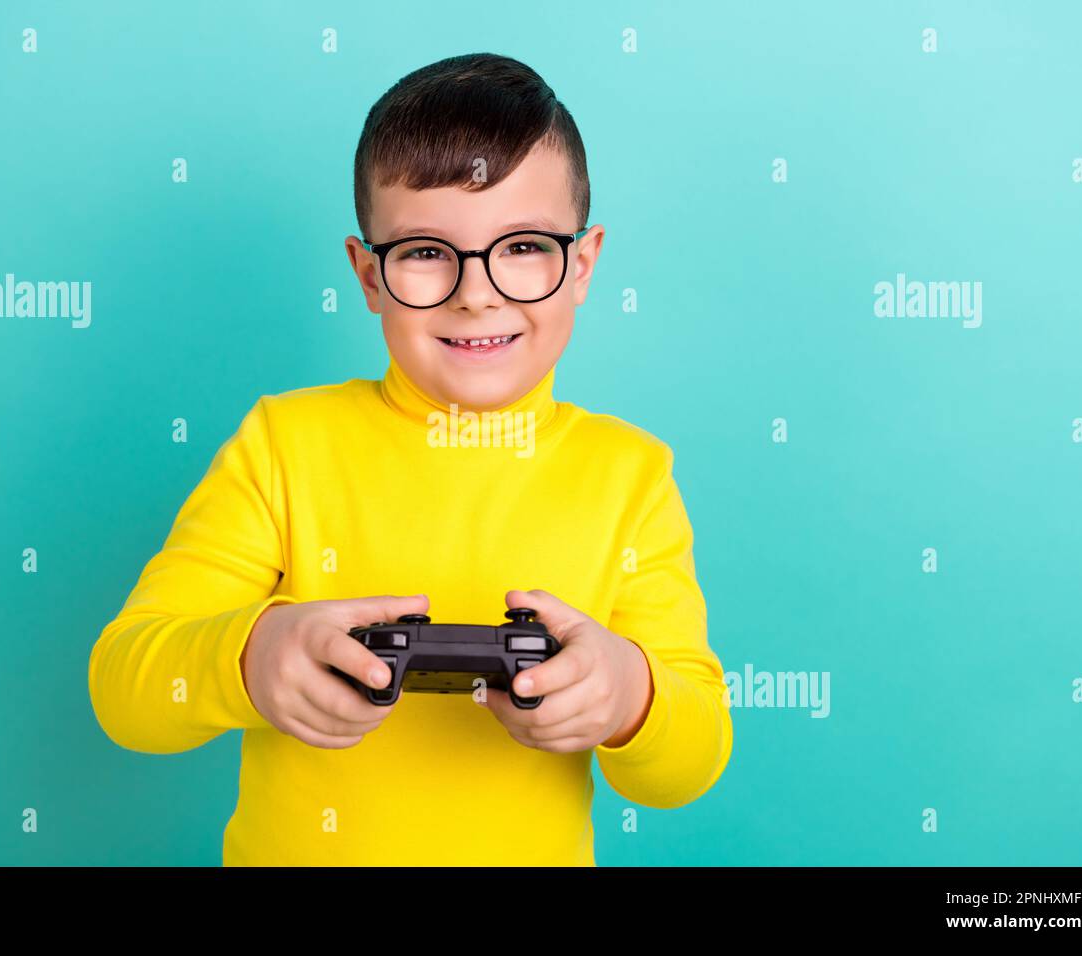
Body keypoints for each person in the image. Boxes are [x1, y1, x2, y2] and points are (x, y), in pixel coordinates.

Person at [88, 52, 733, 866]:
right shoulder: (285, 446)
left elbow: (695, 755)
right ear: (368, 275)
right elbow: (125, 690)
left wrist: (629, 693)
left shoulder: (629, 475)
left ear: (581, 264)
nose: (477, 292)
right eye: (427, 252)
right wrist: (249, 658)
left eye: (523, 246)